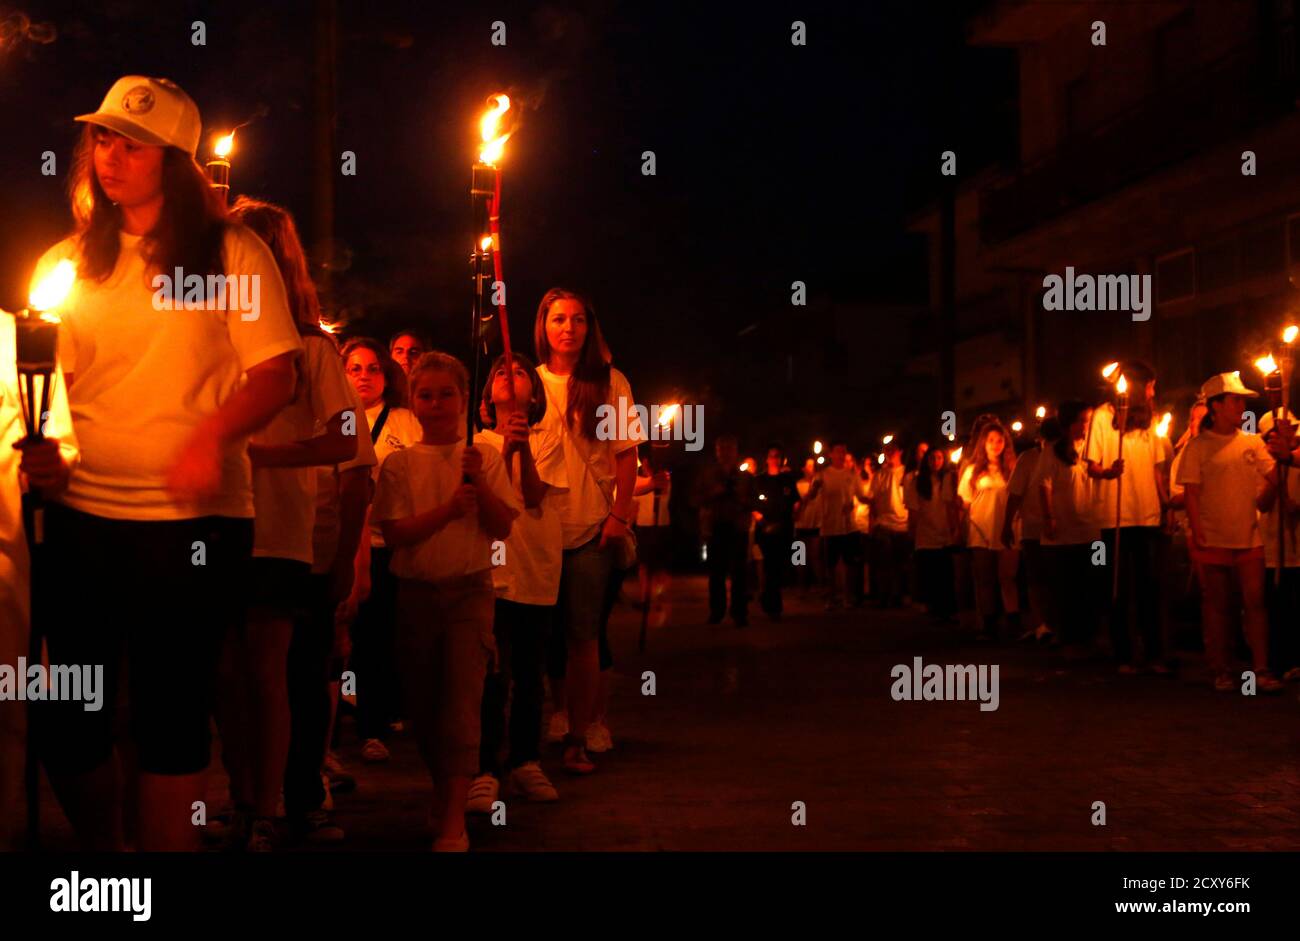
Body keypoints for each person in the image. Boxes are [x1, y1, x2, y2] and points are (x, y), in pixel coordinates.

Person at [32, 76, 303, 851]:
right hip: (83, 517)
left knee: (171, 714)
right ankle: (109, 853)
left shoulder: (231, 253)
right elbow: (58, 389)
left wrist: (204, 437)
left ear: (175, 162)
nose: (109, 156)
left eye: (131, 143)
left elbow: (274, 374)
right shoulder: (71, 261)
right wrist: (47, 454)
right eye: (103, 139)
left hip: (195, 526)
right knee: (69, 712)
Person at [214, 197, 361, 849]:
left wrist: (271, 454)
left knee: (269, 670)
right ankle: (240, 794)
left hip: (277, 528)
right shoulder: (209, 336)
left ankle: (270, 805)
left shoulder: (310, 347)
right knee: (224, 674)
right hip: (211, 525)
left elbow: (348, 438)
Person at [372, 351, 515, 851]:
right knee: (425, 706)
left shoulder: (486, 456)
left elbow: (502, 524)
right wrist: (449, 508)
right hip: (414, 593)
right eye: (425, 395)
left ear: (463, 399)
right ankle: (443, 793)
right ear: (412, 400)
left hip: (469, 591)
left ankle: (454, 819)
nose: (436, 404)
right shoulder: (399, 464)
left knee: (460, 703)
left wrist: (478, 485)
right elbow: (395, 533)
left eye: (446, 394)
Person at [534, 288, 644, 773]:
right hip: (536, 530)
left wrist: (619, 516)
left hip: (591, 527)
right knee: (544, 636)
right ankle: (556, 715)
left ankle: (582, 730)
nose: (568, 328)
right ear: (543, 325)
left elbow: (625, 453)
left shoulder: (609, 382)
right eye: (559, 319)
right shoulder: (528, 382)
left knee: (584, 632)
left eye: (578, 319)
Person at [468, 353, 565, 812]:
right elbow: (490, 493)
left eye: (521, 371)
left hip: (534, 572)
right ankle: (485, 768)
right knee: (491, 674)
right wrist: (505, 446)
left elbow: (530, 493)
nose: (511, 375)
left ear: (536, 392)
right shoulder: (477, 441)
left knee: (529, 674)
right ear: (487, 397)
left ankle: (526, 760)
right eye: (500, 372)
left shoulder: (552, 438)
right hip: (491, 572)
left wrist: (522, 446)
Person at [1, 309, 78, 849]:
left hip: (3, 562)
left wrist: (56, 464)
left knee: (7, 712)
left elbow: (62, 441)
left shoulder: (15, 337)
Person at [340, 337, 422, 762]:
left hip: (388, 544)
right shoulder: (330, 418)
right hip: (339, 543)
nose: (364, 377)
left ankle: (375, 725)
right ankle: (333, 726)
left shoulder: (407, 421)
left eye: (372, 368)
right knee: (338, 639)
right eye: (354, 368)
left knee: (378, 638)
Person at [1177, 372, 1284, 694]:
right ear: (1216, 406)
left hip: (1248, 536)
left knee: (1255, 603)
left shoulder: (1251, 442)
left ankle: (1260, 669)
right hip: (1213, 537)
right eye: (1235, 400)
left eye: (1242, 401)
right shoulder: (1198, 447)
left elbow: (1272, 478)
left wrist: (1282, 457)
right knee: (1218, 606)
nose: (1241, 406)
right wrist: (1197, 533)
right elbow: (1191, 494)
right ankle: (1220, 668)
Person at [1085, 360, 1170, 673]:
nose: (1153, 391)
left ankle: (1154, 653)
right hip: (1115, 515)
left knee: (1151, 585)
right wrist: (1108, 472)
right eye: (1149, 385)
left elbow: (1157, 470)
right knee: (1118, 585)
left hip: (1146, 514)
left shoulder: (1151, 418)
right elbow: (1091, 464)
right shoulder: (1102, 416)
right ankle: (1122, 652)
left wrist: (1165, 506)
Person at [1032, 402, 1100, 657]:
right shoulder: (1052, 452)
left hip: (1093, 533)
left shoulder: (1094, 448)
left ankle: (1089, 636)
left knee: (1091, 583)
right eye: (1081, 420)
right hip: (1063, 535)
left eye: (1089, 421)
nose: (1085, 426)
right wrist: (1049, 517)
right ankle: (1068, 637)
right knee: (1066, 587)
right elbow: (1045, 485)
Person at [957, 420, 1020, 641]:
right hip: (980, 528)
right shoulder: (973, 471)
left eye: (1000, 440)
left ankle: (1013, 622)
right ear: (983, 443)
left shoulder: (1013, 469)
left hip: (1008, 529)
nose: (995, 444)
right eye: (991, 440)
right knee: (985, 579)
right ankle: (989, 623)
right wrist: (960, 528)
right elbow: (964, 503)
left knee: (1007, 577)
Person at [1257, 410, 1300, 683]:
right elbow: (1261, 502)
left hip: (1299, 546)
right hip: (1275, 546)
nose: (1292, 433)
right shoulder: (1261, 460)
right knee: (1278, 607)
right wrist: (1277, 469)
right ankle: (1277, 661)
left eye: (1293, 429)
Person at [694, 434, 754, 626]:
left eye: (730, 449)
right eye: (722, 449)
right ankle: (717, 611)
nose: (726, 453)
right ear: (717, 451)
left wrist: (743, 500)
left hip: (737, 526)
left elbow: (754, 500)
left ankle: (739, 613)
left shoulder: (744, 476)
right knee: (716, 572)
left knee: (739, 572)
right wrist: (714, 492)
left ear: (736, 451)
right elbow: (695, 499)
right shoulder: (708, 474)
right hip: (716, 526)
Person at [1003, 418, 1054, 643]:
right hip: (1034, 529)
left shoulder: (1069, 456)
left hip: (1064, 531)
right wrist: (1007, 525)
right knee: (1036, 580)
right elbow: (1014, 494)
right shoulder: (1028, 459)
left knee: (1056, 580)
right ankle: (1041, 623)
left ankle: (1057, 623)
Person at [808, 442, 868, 609]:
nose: (841, 455)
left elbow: (861, 496)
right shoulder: (823, 474)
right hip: (830, 526)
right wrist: (815, 488)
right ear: (831, 455)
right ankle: (832, 597)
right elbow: (811, 496)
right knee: (831, 565)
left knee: (850, 564)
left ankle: (848, 597)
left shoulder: (852, 474)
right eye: (838, 452)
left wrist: (870, 500)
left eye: (844, 452)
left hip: (849, 526)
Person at [904, 442, 956, 621]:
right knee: (930, 574)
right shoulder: (917, 482)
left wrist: (953, 529)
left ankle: (946, 609)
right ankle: (934, 607)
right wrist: (912, 529)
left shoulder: (947, 478)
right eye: (932, 458)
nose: (936, 461)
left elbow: (950, 506)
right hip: (925, 533)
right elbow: (913, 510)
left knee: (945, 574)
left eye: (939, 457)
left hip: (944, 533)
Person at [754, 444, 800, 619]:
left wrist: (796, 510)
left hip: (785, 529)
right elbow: (753, 504)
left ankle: (769, 599)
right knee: (769, 565)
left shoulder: (787, 480)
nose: (775, 459)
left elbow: (795, 501)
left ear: (781, 459)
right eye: (771, 456)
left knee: (779, 566)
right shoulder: (759, 480)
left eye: (777, 456)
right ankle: (774, 605)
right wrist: (761, 520)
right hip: (765, 529)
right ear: (767, 459)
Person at [633, 443, 673, 626]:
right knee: (643, 564)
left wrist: (651, 477)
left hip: (661, 525)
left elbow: (664, 492)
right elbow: (633, 504)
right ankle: (644, 597)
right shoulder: (637, 480)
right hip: (643, 525)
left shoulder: (664, 477)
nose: (646, 464)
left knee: (659, 565)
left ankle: (658, 598)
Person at [868, 441, 910, 608]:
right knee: (884, 563)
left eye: (893, 450)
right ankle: (884, 596)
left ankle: (898, 596)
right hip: (884, 524)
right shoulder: (880, 474)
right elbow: (872, 500)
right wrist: (872, 523)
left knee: (900, 563)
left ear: (900, 451)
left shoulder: (907, 473)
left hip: (903, 524)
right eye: (887, 450)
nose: (890, 453)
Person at [793, 457, 823, 593]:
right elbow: (800, 502)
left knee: (816, 557)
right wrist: (811, 491)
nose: (812, 468)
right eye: (809, 466)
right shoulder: (798, 484)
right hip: (800, 525)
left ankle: (820, 587)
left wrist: (816, 487)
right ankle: (801, 587)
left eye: (813, 466)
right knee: (799, 558)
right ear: (804, 469)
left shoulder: (820, 484)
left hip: (815, 525)